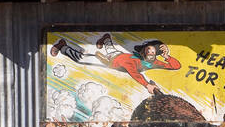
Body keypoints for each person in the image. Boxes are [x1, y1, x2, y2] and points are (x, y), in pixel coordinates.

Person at [51, 34, 180, 94]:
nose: (150, 54)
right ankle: (63, 47)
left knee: (112, 50)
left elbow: (176, 66)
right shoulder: (132, 61)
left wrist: (167, 57)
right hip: (111, 61)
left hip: (119, 56)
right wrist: (147, 85)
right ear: (143, 50)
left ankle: (106, 39)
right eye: (148, 50)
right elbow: (134, 73)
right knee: (81, 59)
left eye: (153, 52)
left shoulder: (153, 62)